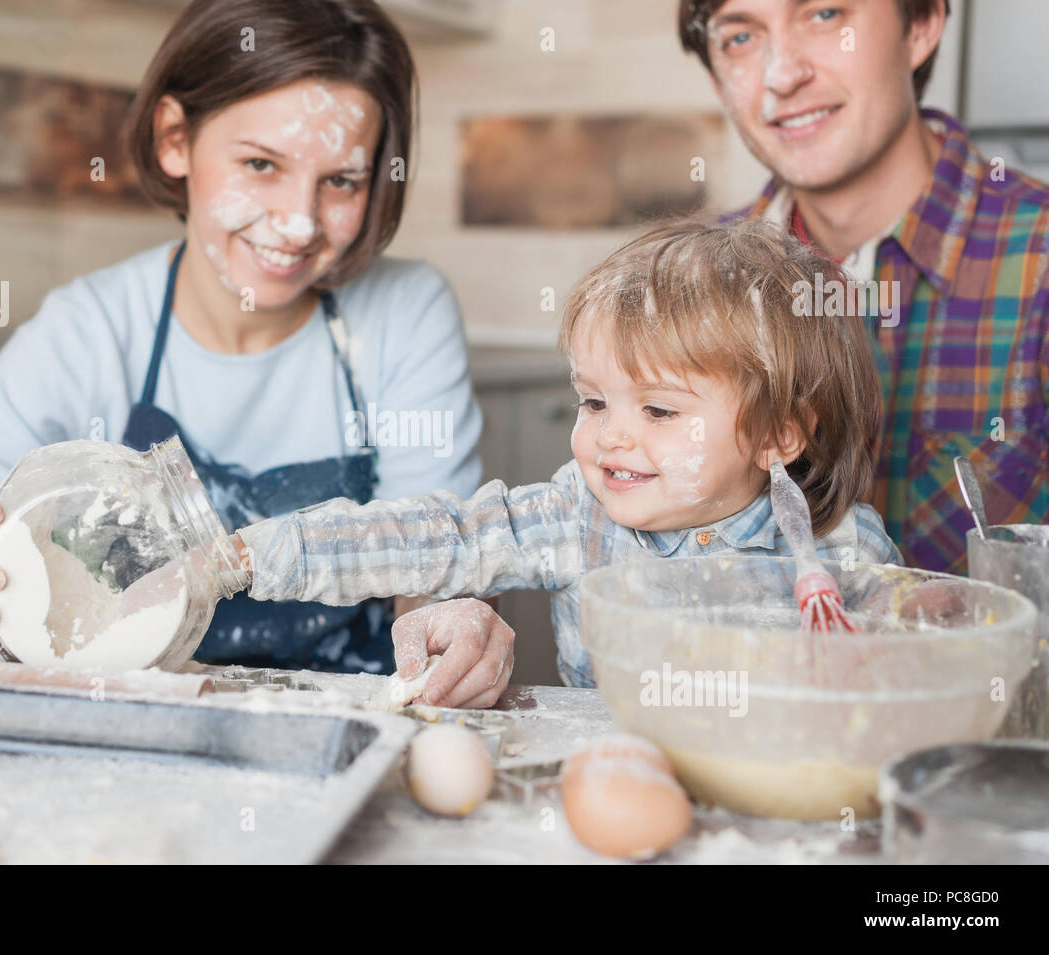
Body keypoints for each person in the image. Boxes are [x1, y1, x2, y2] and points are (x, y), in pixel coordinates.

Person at [0, 0, 508, 700]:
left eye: (341, 181)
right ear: (175, 138)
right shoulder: (85, 331)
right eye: (261, 164)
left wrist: (456, 626)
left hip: (351, 725)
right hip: (127, 733)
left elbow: (432, 567)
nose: (300, 222)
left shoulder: (406, 313)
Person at [227, 220, 902, 688]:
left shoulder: (842, 554)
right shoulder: (574, 520)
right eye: (594, 401)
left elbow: (899, 694)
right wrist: (251, 555)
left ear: (780, 432)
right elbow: (433, 535)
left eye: (660, 410)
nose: (612, 435)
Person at [677, 0, 1049, 574]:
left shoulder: (1039, 261)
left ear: (920, 25)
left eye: (825, 15)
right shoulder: (685, 281)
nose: (781, 74)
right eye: (740, 38)